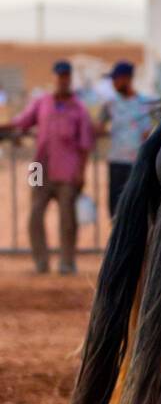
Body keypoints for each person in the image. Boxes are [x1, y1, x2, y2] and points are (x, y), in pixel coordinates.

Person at [1, 60, 94, 274]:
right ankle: (41, 262)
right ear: (54, 78)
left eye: (66, 76)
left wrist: (81, 172)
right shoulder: (41, 102)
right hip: (39, 167)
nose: (62, 80)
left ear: (70, 79)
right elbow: (22, 121)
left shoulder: (79, 109)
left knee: (68, 219)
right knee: (35, 215)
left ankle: (67, 263)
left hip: (68, 170)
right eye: (59, 76)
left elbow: (85, 144)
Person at [98, 61, 153, 215]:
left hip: (137, 163)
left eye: (116, 79)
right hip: (116, 163)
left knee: (136, 209)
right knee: (115, 209)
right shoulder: (110, 104)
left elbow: (148, 131)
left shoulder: (144, 103)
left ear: (126, 79)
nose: (114, 83)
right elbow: (99, 127)